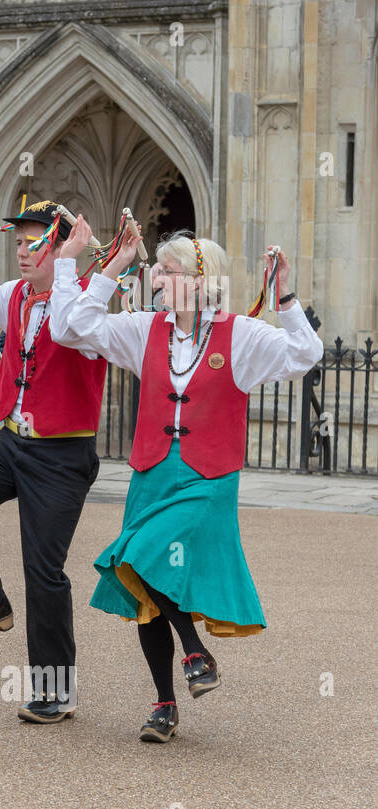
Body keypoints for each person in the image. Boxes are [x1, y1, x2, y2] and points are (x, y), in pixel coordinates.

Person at [50, 222, 323, 741]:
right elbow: (69, 328)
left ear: (200, 280)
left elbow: (306, 355)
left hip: (207, 479)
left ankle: (195, 651)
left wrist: (284, 294)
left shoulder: (240, 334)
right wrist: (103, 270)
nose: (155, 276)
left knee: (140, 557)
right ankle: (165, 702)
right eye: (156, 268)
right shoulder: (143, 329)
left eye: (167, 270)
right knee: (147, 584)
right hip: (152, 473)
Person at [0, 198, 106, 724]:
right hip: (11, 440)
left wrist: (81, 266)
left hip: (60, 454)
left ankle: (55, 691)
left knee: (43, 571)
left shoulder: (88, 305)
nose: (22, 252)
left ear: (64, 246)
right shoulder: (14, 295)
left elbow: (72, 328)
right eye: (17, 241)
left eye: (35, 242)